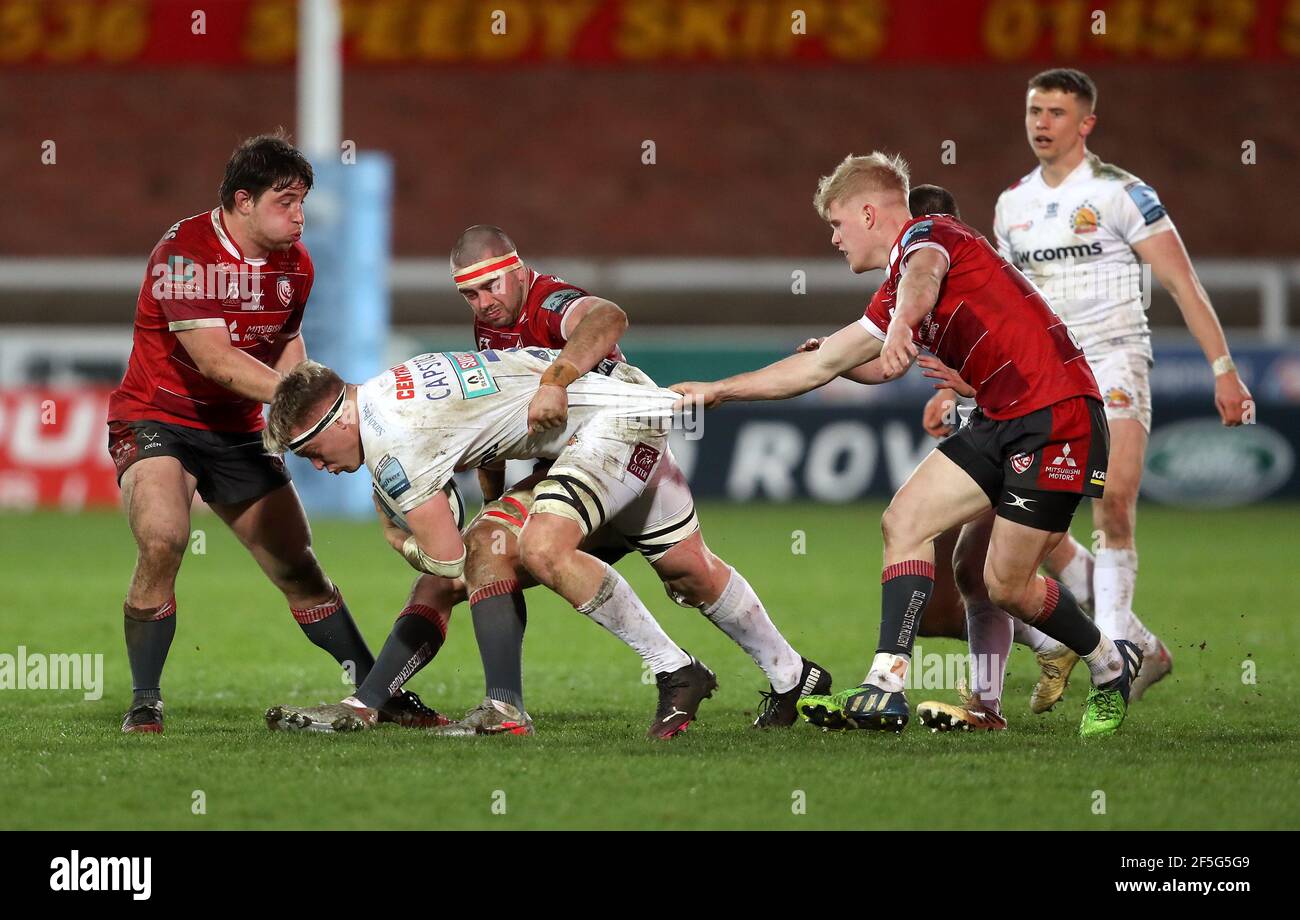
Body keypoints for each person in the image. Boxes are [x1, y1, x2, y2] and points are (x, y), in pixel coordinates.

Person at [672, 152, 1143, 738]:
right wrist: (719, 391)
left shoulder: (929, 235)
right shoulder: (895, 287)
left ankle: (1110, 663)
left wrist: (899, 329)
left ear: (869, 212)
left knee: (1007, 585)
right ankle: (887, 683)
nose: (836, 240)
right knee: (904, 520)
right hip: (1001, 420)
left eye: (838, 225)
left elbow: (923, 276)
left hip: (1058, 417)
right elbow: (828, 365)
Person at [261, 345, 813, 740]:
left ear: (336, 419)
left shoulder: (395, 445)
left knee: (518, 551)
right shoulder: (389, 384)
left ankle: (671, 669)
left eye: (309, 450)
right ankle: (796, 676)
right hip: (616, 415)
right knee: (689, 570)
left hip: (615, 428)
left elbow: (446, 559)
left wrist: (396, 539)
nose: (318, 467)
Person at [106, 132, 440, 734]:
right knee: (163, 538)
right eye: (285, 201)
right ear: (242, 201)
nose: (300, 215)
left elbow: (286, 343)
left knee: (297, 567)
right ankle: (145, 699)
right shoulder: (183, 253)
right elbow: (215, 360)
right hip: (159, 417)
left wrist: (302, 430)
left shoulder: (296, 264)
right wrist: (311, 405)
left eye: (303, 201)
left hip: (236, 430)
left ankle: (375, 690)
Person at [979, 68, 1252, 702]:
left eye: (1054, 112)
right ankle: (1144, 646)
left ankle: (1116, 658)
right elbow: (1003, 312)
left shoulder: (1121, 192)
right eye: (1034, 111)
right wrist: (962, 386)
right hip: (1045, 377)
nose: (1041, 123)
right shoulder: (1012, 205)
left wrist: (1224, 369)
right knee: (1037, 531)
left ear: (1086, 123)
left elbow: (1183, 283)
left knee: (1116, 499)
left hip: (1115, 359)